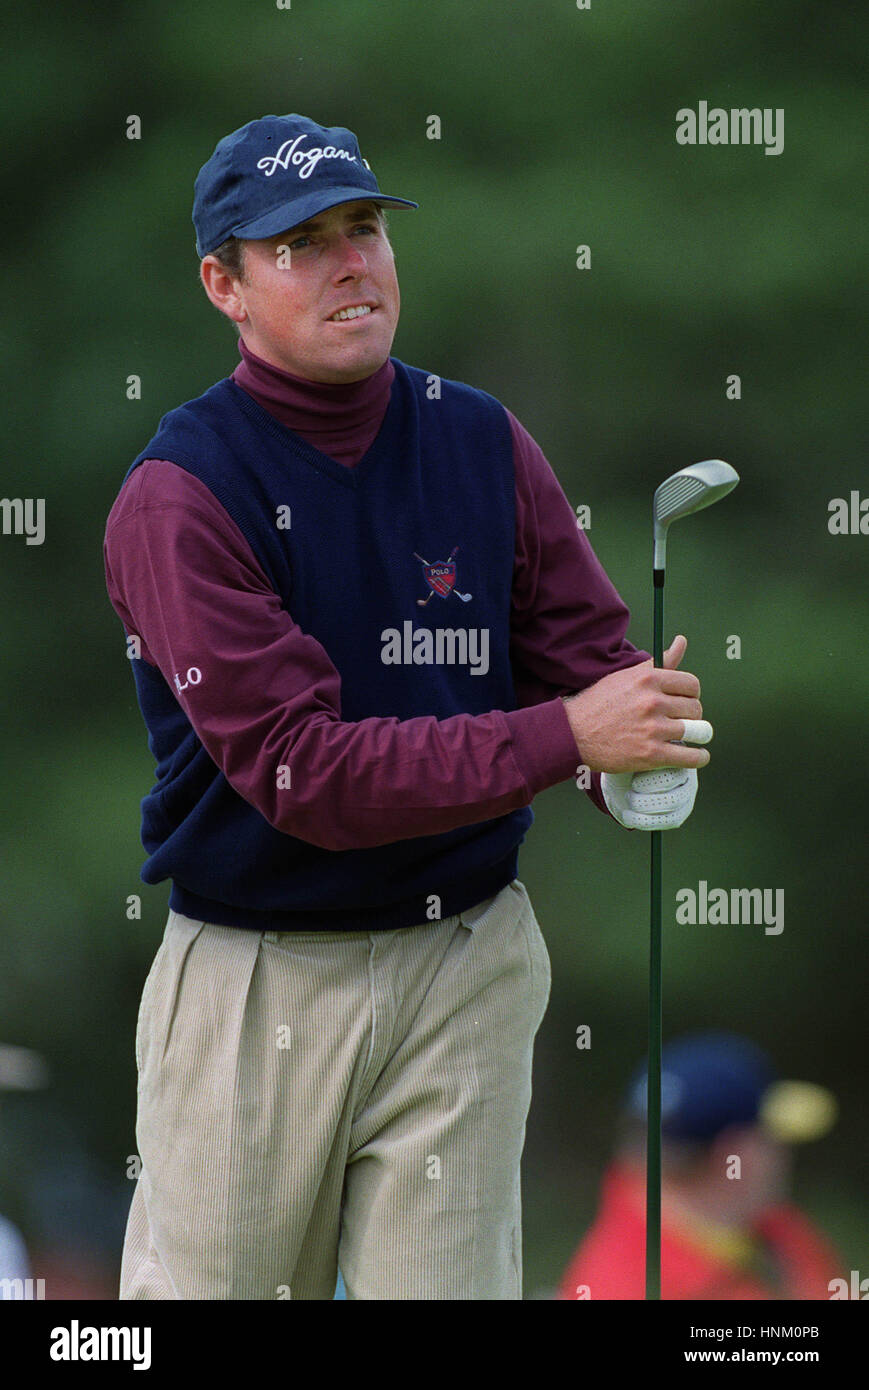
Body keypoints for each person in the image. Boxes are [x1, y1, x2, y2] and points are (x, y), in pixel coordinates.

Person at [103, 113, 713, 1300]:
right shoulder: (181, 495)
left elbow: (584, 661)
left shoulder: (477, 437)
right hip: (255, 977)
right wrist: (567, 739)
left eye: (364, 227)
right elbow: (305, 776)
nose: (349, 261)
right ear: (222, 283)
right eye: (300, 243)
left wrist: (632, 754)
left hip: (465, 960)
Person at [557, 1031, 842, 1300]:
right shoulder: (620, 1288)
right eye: (771, 1135)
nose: (782, 1153)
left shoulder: (772, 1227)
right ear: (734, 1153)